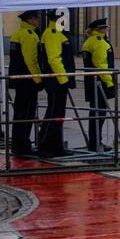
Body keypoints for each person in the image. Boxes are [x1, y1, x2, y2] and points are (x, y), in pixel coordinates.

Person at [38, 9, 77, 157]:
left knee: (55, 113)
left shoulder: (57, 33)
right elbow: (54, 59)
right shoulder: (53, 34)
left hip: (57, 79)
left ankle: (52, 145)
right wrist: (64, 79)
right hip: (56, 80)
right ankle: (48, 146)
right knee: (55, 113)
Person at [8, 11, 44, 155]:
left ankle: (18, 143)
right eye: (36, 18)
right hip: (28, 80)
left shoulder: (17, 34)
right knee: (27, 114)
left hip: (19, 78)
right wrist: (38, 79)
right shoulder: (29, 35)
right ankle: (23, 145)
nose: (38, 20)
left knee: (19, 113)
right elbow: (31, 60)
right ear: (30, 20)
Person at [80, 17, 115, 152]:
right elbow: (101, 65)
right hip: (100, 82)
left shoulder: (89, 41)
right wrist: (110, 83)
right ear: (99, 30)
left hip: (91, 81)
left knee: (94, 112)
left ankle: (94, 141)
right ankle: (96, 143)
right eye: (105, 28)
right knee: (100, 114)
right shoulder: (99, 43)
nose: (106, 30)